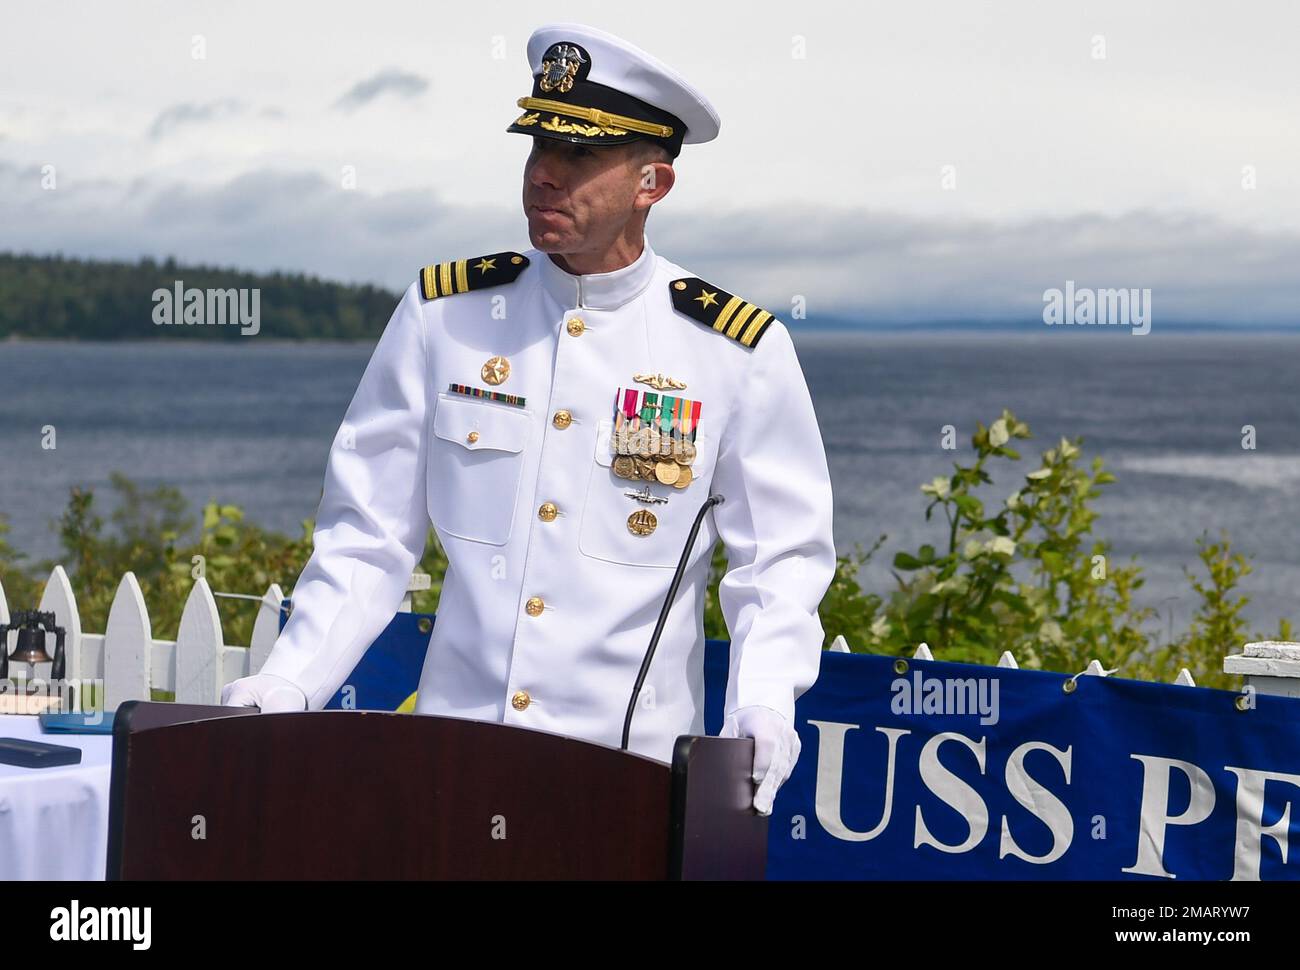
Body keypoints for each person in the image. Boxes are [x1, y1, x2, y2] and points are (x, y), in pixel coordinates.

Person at [222, 22, 835, 816]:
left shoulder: (731, 349)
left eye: (579, 155)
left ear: (653, 182)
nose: (545, 175)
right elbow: (369, 536)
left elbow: (780, 561)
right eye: (537, 146)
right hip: (452, 769)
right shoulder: (447, 315)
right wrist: (290, 680)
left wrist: (764, 700)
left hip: (628, 784)